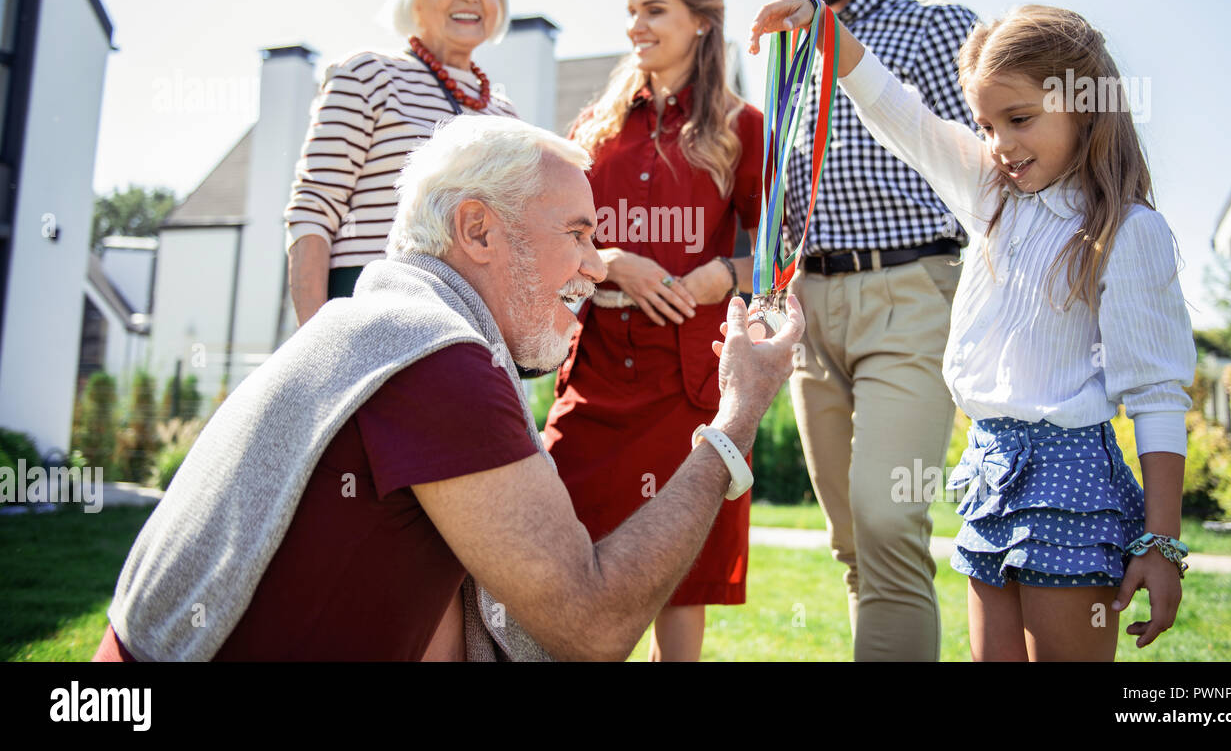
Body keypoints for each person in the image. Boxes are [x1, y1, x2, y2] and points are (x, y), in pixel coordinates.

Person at [93, 115, 804, 662]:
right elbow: (594, 624)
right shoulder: (437, 361)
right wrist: (735, 419)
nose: (597, 266)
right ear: (478, 229)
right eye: (580, 235)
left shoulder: (388, 324)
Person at [749, 0, 1196, 661]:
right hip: (990, 467)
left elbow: (1158, 397)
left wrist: (1161, 545)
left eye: (1019, 119)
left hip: (1068, 480)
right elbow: (899, 113)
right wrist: (822, 26)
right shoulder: (992, 196)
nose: (1001, 145)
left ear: (1086, 104)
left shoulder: (1129, 233)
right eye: (987, 125)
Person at [771, 0, 981, 661]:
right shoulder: (786, 46)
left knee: (893, 520)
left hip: (913, 293)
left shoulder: (938, 28)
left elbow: (991, 159)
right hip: (810, 312)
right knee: (854, 540)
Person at [541, 0, 764, 662]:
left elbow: (783, 262)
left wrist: (718, 278)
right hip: (597, 384)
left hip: (689, 390)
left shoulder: (745, 128)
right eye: (631, 9)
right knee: (562, 566)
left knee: (681, 583)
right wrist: (611, 262)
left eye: (654, 10)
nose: (636, 25)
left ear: (702, 23)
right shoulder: (593, 130)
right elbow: (553, 242)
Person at [284, 0, 517, 323]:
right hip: (370, 303)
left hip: (470, 317)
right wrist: (316, 344)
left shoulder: (506, 117)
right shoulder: (368, 74)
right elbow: (313, 211)